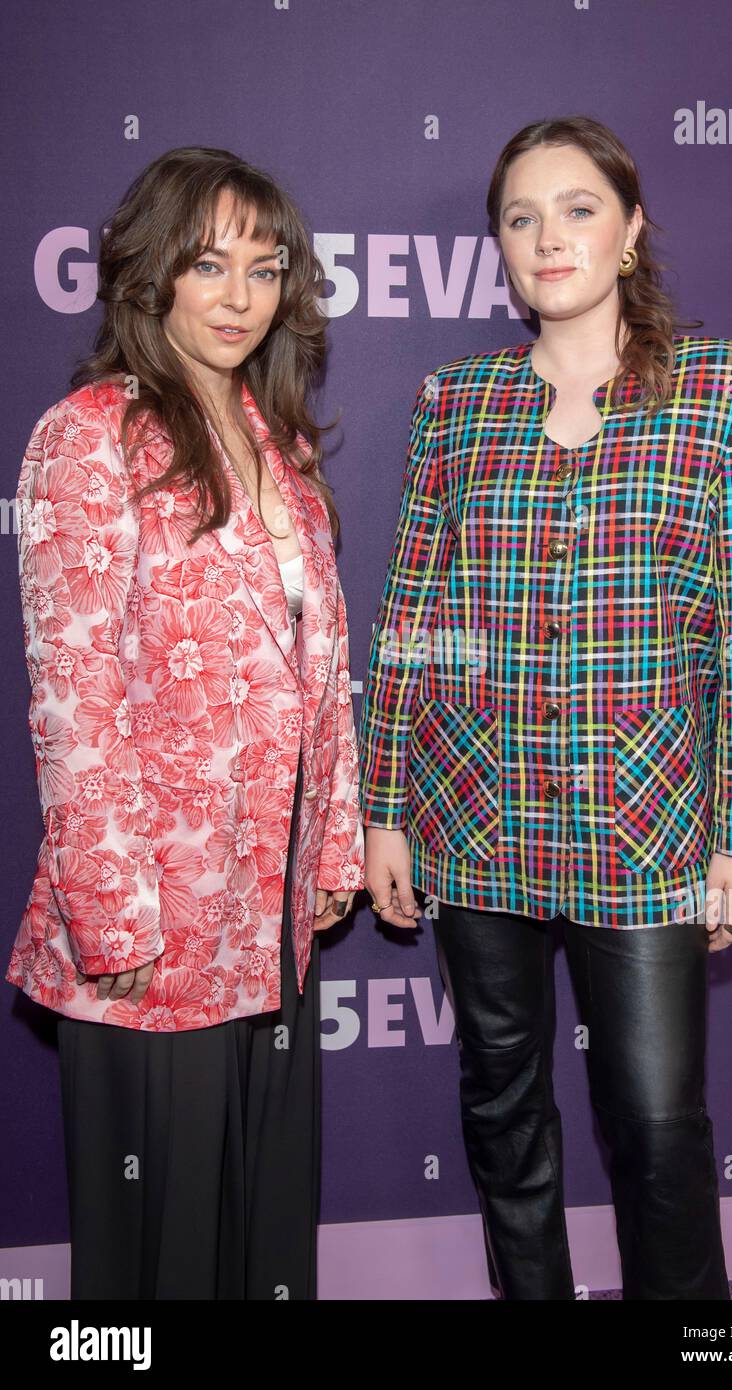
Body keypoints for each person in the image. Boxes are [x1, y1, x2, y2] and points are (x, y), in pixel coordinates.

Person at [358, 116, 732, 1300]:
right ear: (498, 247)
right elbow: (411, 616)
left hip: (646, 818)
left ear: (629, 228)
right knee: (502, 1105)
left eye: (575, 207)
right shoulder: (453, 403)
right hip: (475, 807)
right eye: (518, 216)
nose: (545, 237)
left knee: (656, 1122)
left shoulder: (727, 390)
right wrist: (383, 810)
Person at [6, 147, 365, 1299]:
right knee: (154, 1260)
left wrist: (337, 848)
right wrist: (115, 918)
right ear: (149, 271)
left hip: (267, 926)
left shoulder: (282, 446)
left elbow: (325, 669)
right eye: (208, 264)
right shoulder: (88, 436)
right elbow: (73, 697)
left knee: (259, 1237)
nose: (239, 295)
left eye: (263, 268)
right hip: (152, 932)